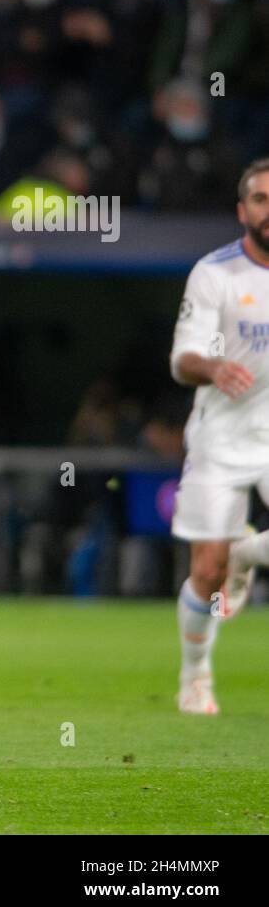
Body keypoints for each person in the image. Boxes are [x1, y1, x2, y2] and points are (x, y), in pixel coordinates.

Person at [168, 157, 269, 714]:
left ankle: (249, 551)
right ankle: (195, 674)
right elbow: (184, 358)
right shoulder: (215, 274)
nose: (268, 210)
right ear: (242, 210)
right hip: (223, 433)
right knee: (207, 570)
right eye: (260, 200)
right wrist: (214, 368)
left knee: (230, 558)